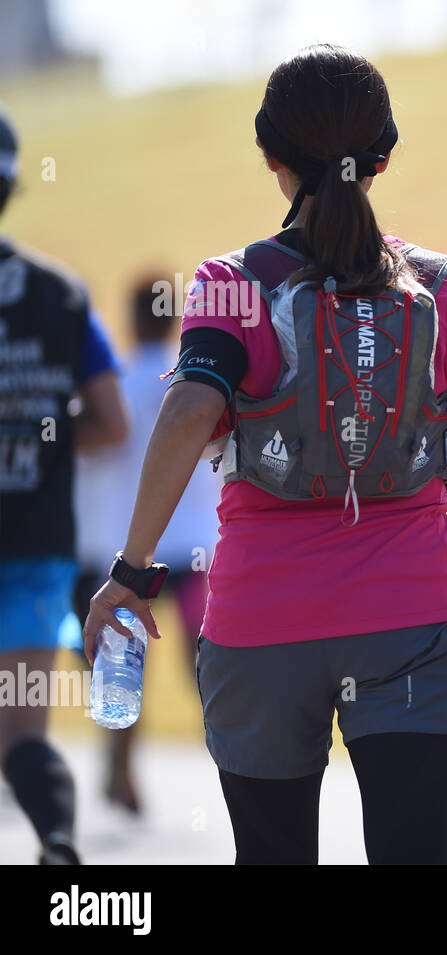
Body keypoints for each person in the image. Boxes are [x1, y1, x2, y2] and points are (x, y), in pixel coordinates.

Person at [80, 44, 447, 865]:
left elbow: (194, 405)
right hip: (415, 619)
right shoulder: (445, 286)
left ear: (270, 154)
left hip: (261, 626)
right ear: (384, 156)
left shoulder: (230, 283)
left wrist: (130, 572)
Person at [0, 103, 127, 864]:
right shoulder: (61, 293)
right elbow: (110, 422)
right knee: (20, 729)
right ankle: (54, 842)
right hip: (37, 540)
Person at [74, 273, 222, 815]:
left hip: (131, 551)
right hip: (197, 545)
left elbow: (94, 460)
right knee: (205, 664)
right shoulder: (195, 376)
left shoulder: (116, 382)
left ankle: (119, 767)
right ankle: (242, 761)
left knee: (123, 668)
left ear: (134, 319)